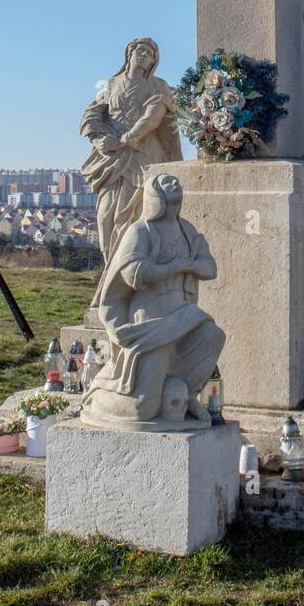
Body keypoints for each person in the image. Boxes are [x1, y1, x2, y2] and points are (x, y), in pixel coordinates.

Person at [80, 173, 224, 427]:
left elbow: (210, 268)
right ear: (154, 195)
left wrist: (189, 266)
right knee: (143, 409)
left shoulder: (187, 231)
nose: (174, 183)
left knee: (212, 336)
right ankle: (96, 397)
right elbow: (134, 273)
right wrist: (175, 267)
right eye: (166, 182)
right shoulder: (141, 230)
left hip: (185, 318)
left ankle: (185, 394)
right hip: (151, 323)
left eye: (175, 182)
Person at [80, 38, 181, 308]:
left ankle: (124, 289)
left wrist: (126, 139)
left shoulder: (159, 86)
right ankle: (112, 279)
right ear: (129, 54)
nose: (143, 54)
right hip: (111, 163)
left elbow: (152, 118)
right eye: (139, 50)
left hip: (142, 159)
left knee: (132, 224)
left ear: (154, 62)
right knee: (106, 219)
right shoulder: (111, 84)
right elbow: (91, 116)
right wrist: (99, 139)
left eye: (149, 53)